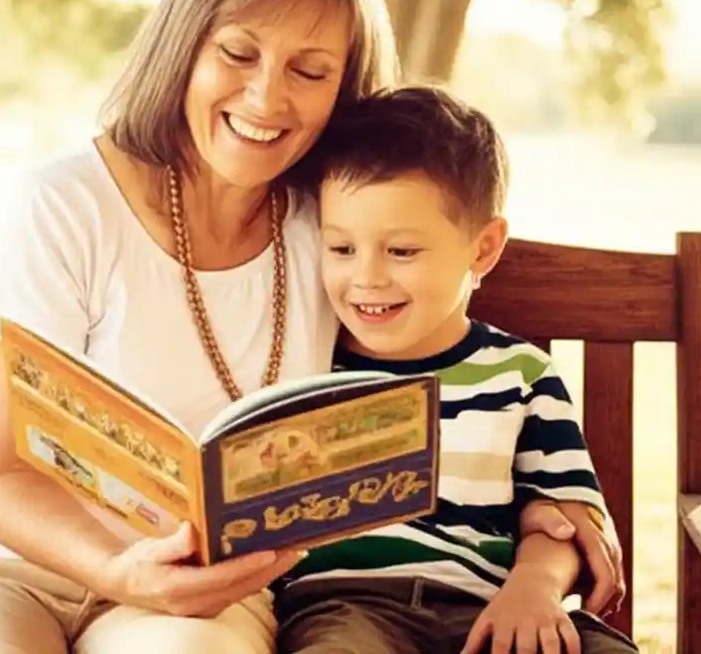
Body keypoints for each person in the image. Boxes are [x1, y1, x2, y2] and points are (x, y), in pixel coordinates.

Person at [0, 0, 400, 652]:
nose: (266, 96)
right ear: (184, 46)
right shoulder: (59, 205)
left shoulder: (336, 234)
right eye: (237, 53)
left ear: (344, 91)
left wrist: (541, 522)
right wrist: (116, 570)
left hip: (195, 595)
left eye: (310, 71)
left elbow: (440, 341)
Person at [273, 86, 639, 654]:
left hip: (492, 609)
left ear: (483, 249)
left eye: (401, 251)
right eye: (342, 249)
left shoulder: (521, 375)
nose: (367, 277)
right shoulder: (304, 364)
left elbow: (564, 518)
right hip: (346, 610)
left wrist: (534, 588)